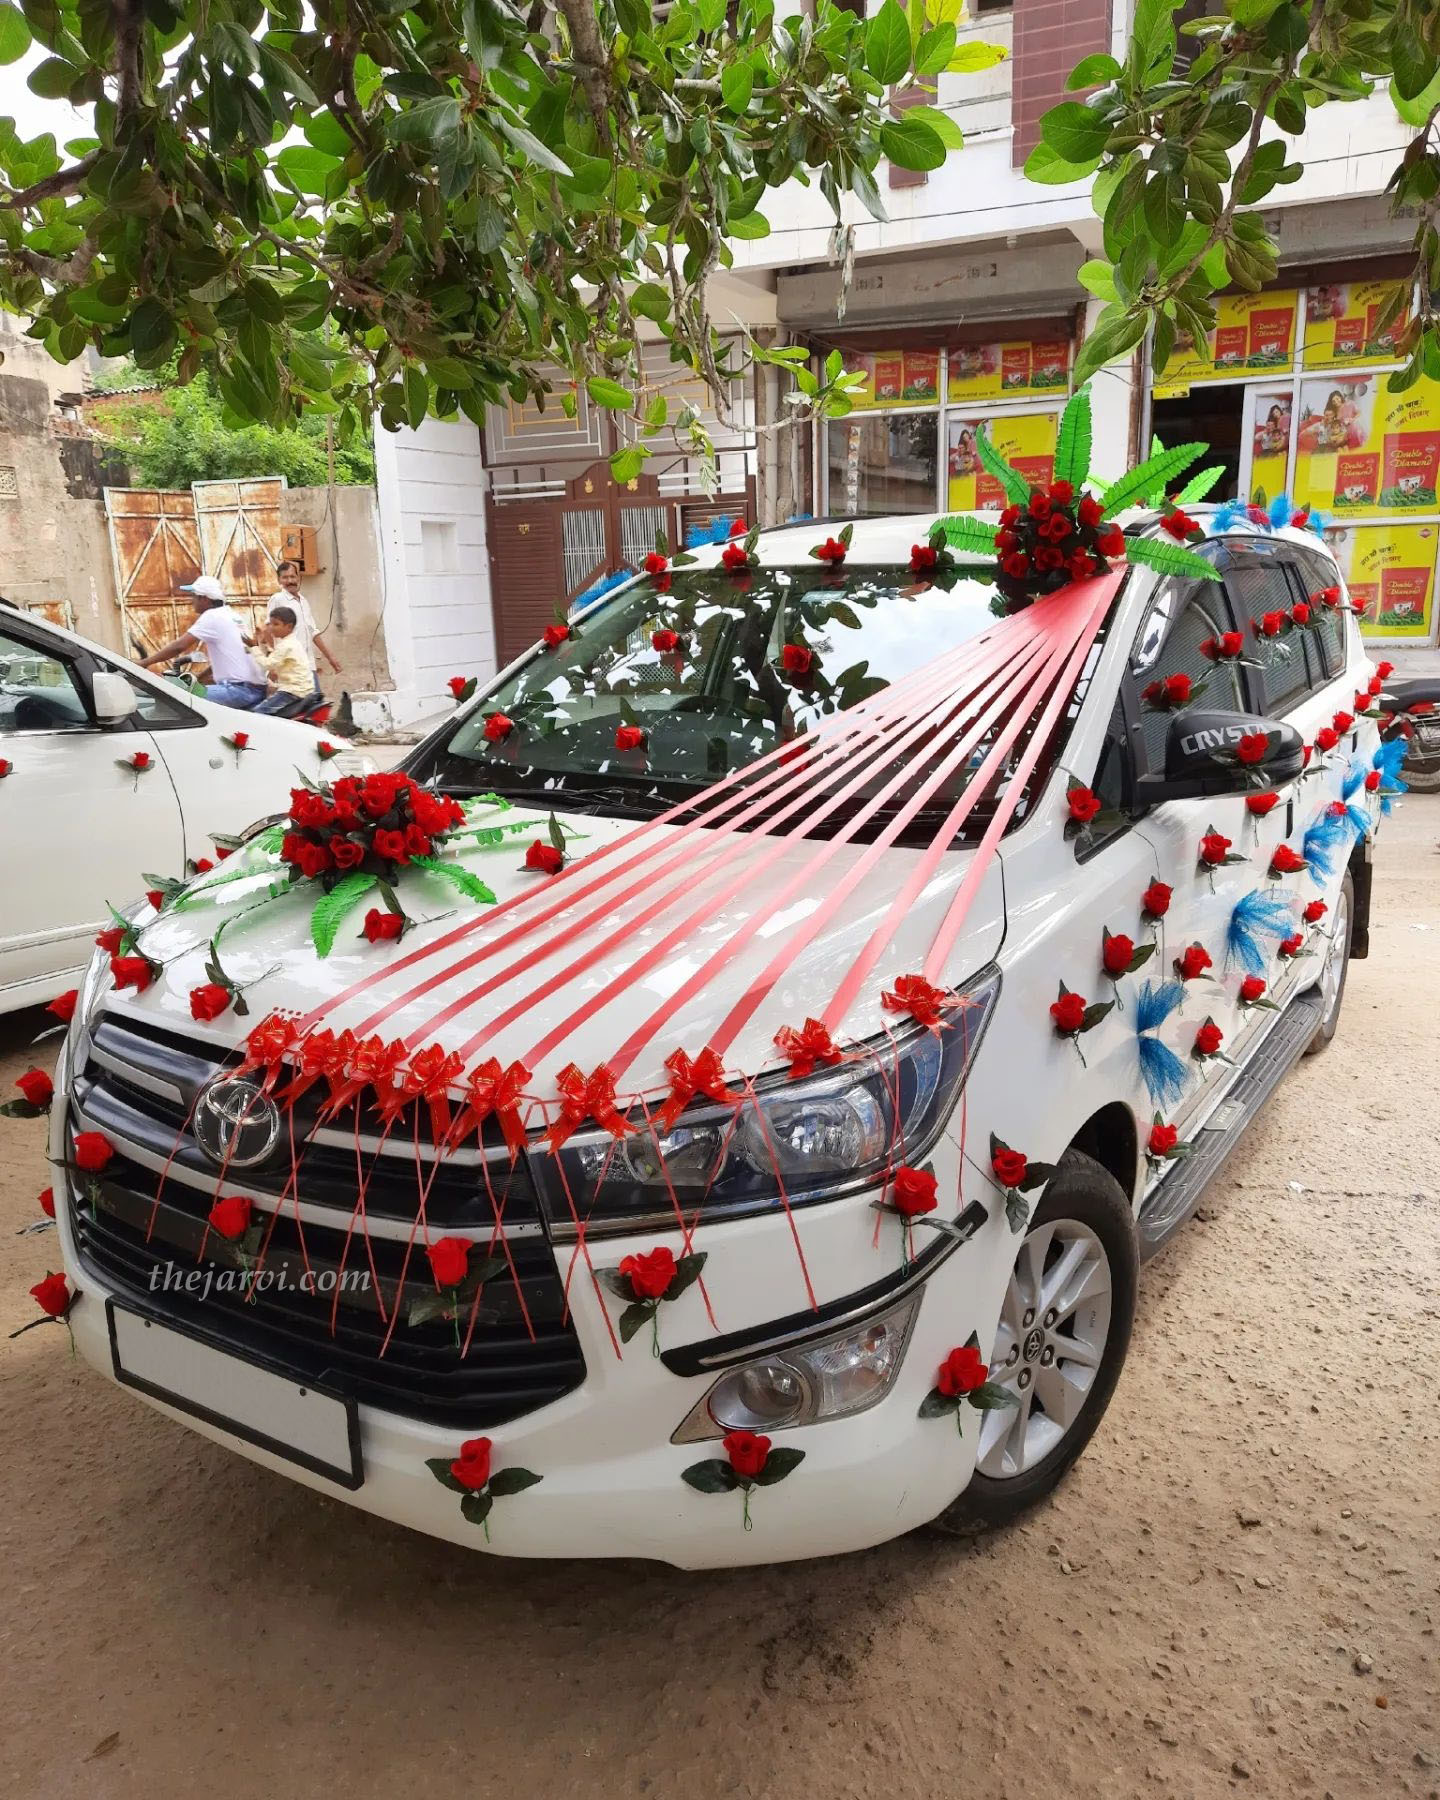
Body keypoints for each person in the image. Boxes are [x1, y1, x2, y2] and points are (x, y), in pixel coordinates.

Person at [139, 576, 266, 710]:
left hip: (238, 691)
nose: (191, 601)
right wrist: (198, 679)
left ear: (204, 599)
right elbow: (229, 659)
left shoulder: (212, 616)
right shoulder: (232, 615)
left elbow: (179, 646)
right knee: (194, 691)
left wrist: (144, 662)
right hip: (252, 689)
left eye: (193, 596)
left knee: (178, 697)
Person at [268, 559, 339, 697]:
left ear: (298, 578)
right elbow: (268, 630)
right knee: (303, 704)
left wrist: (330, 658)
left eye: (292, 576)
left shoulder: (303, 601)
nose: (290, 581)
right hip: (290, 665)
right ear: (279, 580)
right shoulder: (278, 599)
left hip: (308, 664)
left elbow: (313, 632)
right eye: (285, 577)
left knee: (314, 703)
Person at [251, 606, 315, 715]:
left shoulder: (286, 645)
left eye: (276, 624)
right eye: (270, 624)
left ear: (289, 626)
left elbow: (267, 664)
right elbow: (278, 661)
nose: (271, 628)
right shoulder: (291, 642)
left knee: (258, 714)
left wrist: (253, 647)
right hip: (303, 690)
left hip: (292, 692)